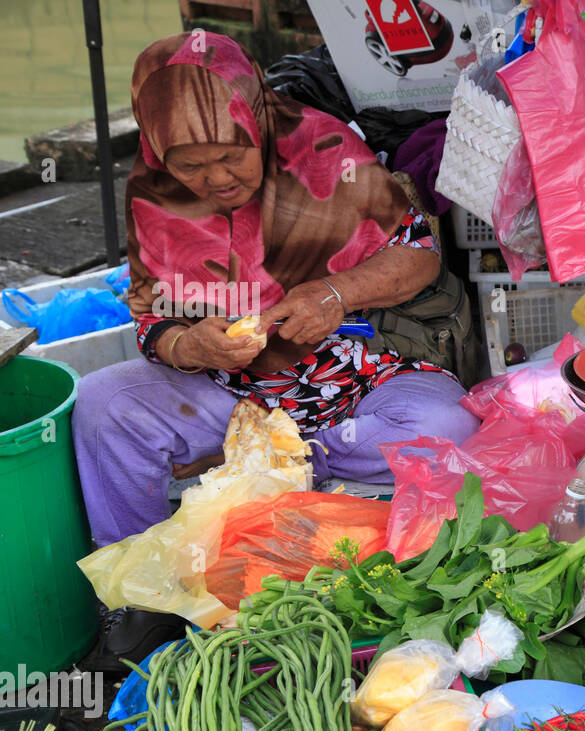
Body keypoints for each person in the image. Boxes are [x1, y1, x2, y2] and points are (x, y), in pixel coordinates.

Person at [74, 33, 480, 667]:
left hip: (359, 373)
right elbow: (152, 317)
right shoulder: (152, 191)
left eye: (230, 155)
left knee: (447, 426)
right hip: (230, 392)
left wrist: (336, 295)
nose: (214, 179)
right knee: (103, 404)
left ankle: (280, 476)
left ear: (256, 118)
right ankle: (136, 594)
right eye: (189, 165)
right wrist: (189, 344)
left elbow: (420, 260)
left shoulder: (325, 148)